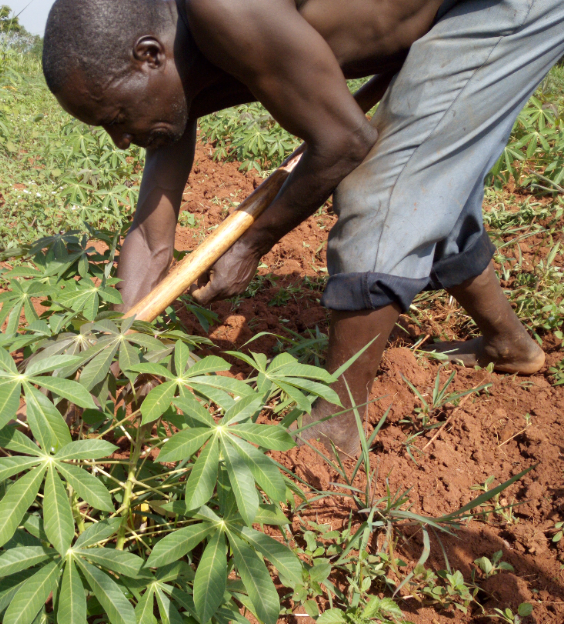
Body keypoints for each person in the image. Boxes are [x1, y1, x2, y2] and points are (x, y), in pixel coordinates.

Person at [41, 0, 562, 454]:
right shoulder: (175, 68)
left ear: (149, 54)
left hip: (502, 5)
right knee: (430, 176)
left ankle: (336, 425)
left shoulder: (224, 8)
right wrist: (117, 343)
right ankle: (508, 345)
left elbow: (343, 142)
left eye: (116, 116)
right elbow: (153, 236)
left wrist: (251, 244)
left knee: (386, 186)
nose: (119, 141)